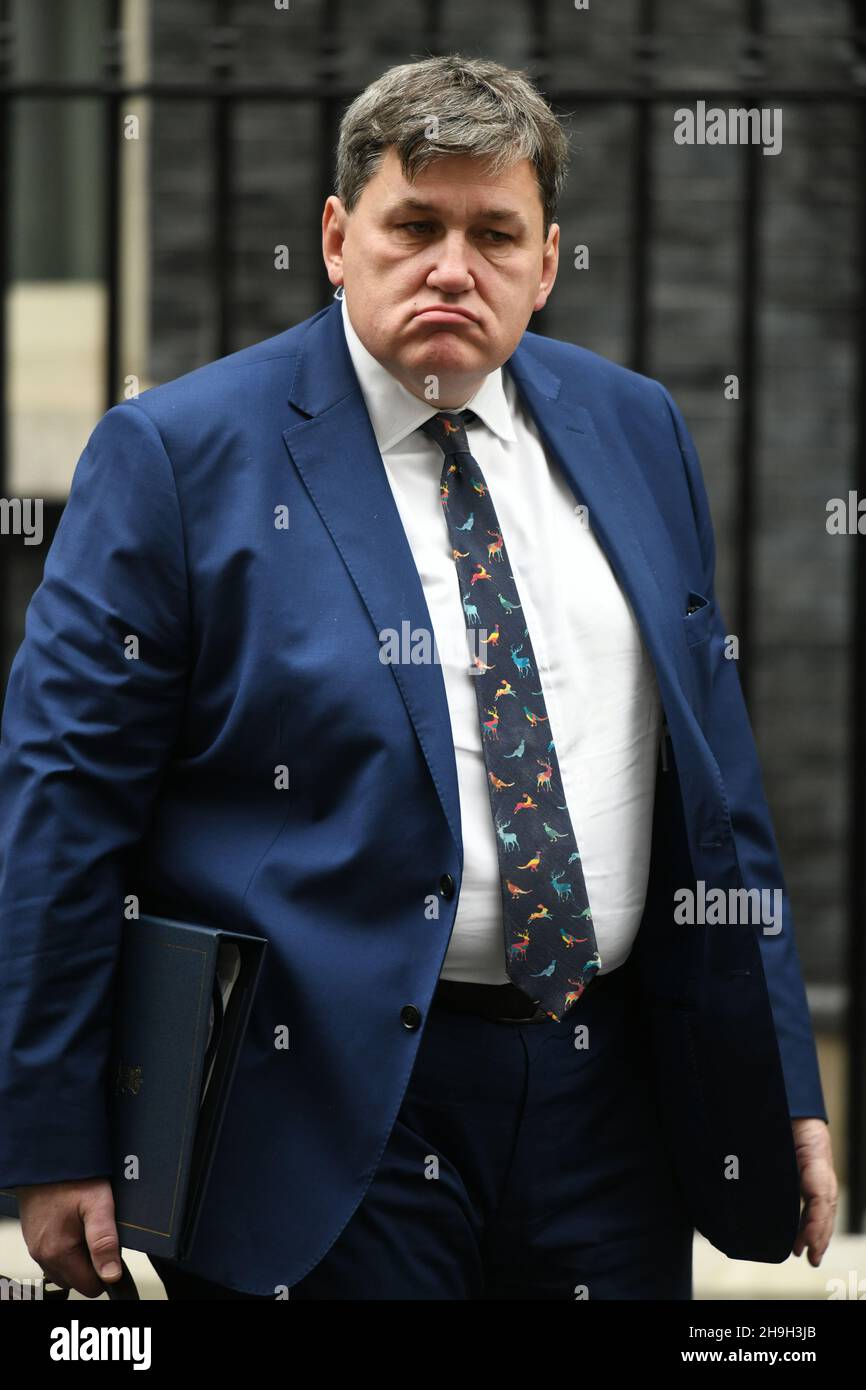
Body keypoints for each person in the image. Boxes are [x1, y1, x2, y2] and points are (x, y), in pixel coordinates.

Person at [0, 53, 836, 1301]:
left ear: (546, 264)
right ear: (338, 239)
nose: (454, 264)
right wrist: (53, 1130)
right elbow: (62, 812)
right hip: (324, 1114)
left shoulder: (636, 428)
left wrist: (781, 1081)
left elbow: (718, 789)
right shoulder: (176, 458)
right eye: (415, 225)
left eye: (495, 232)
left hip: (608, 1108)